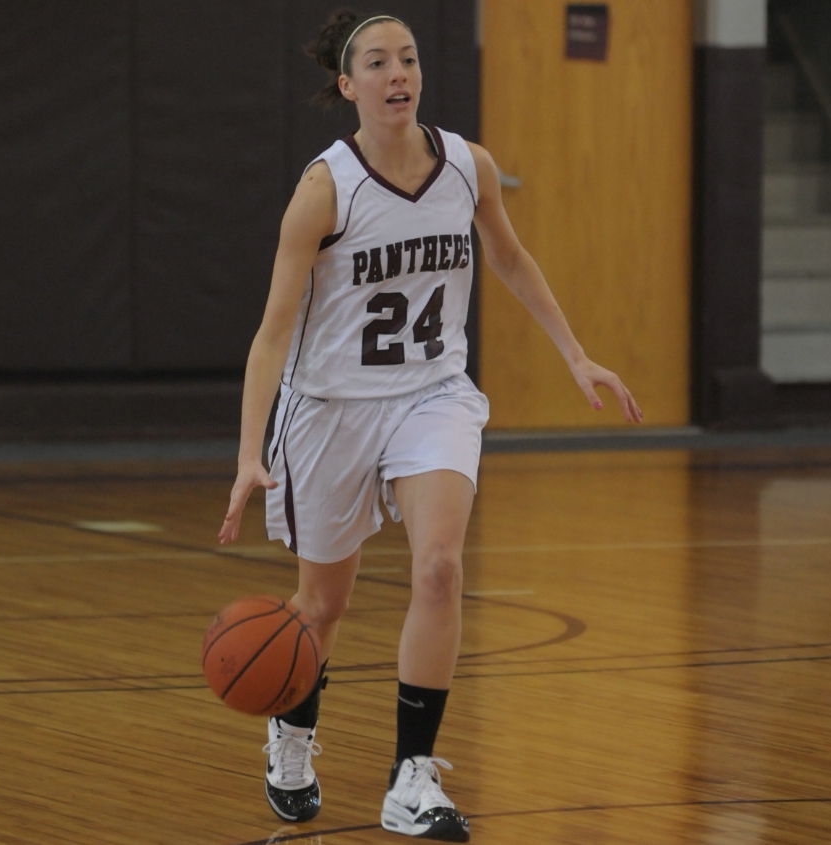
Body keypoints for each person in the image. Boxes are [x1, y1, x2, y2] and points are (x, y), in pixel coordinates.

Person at [218, 8, 642, 841]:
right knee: (320, 604)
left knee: (441, 567)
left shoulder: (465, 166)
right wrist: (246, 450)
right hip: (330, 408)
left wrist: (575, 354)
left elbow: (510, 258)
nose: (396, 74)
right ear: (348, 87)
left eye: (407, 58)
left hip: (432, 393)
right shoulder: (323, 190)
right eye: (376, 63)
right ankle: (293, 735)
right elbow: (272, 332)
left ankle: (410, 777)